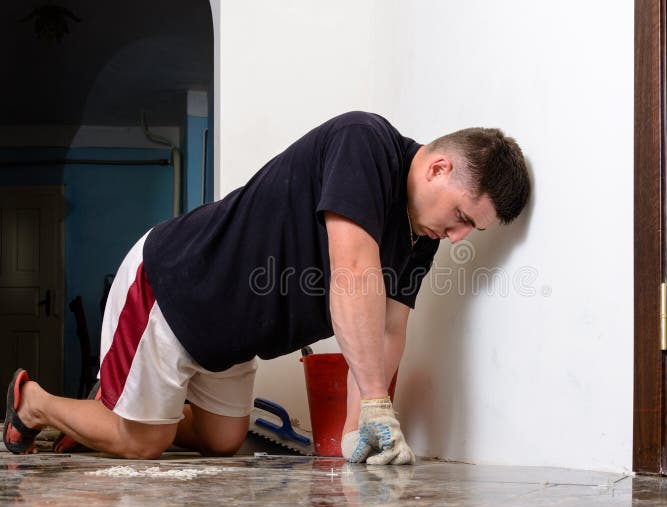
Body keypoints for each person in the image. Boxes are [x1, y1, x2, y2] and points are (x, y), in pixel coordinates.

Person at [3, 111, 530, 464]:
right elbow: (352, 272)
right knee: (144, 443)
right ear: (438, 167)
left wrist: (356, 435)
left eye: (471, 230)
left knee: (223, 441)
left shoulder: (422, 237)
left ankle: (123, 404)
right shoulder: (364, 143)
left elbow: (391, 327)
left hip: (233, 335)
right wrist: (375, 404)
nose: (458, 237)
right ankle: (36, 403)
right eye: (461, 216)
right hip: (178, 286)